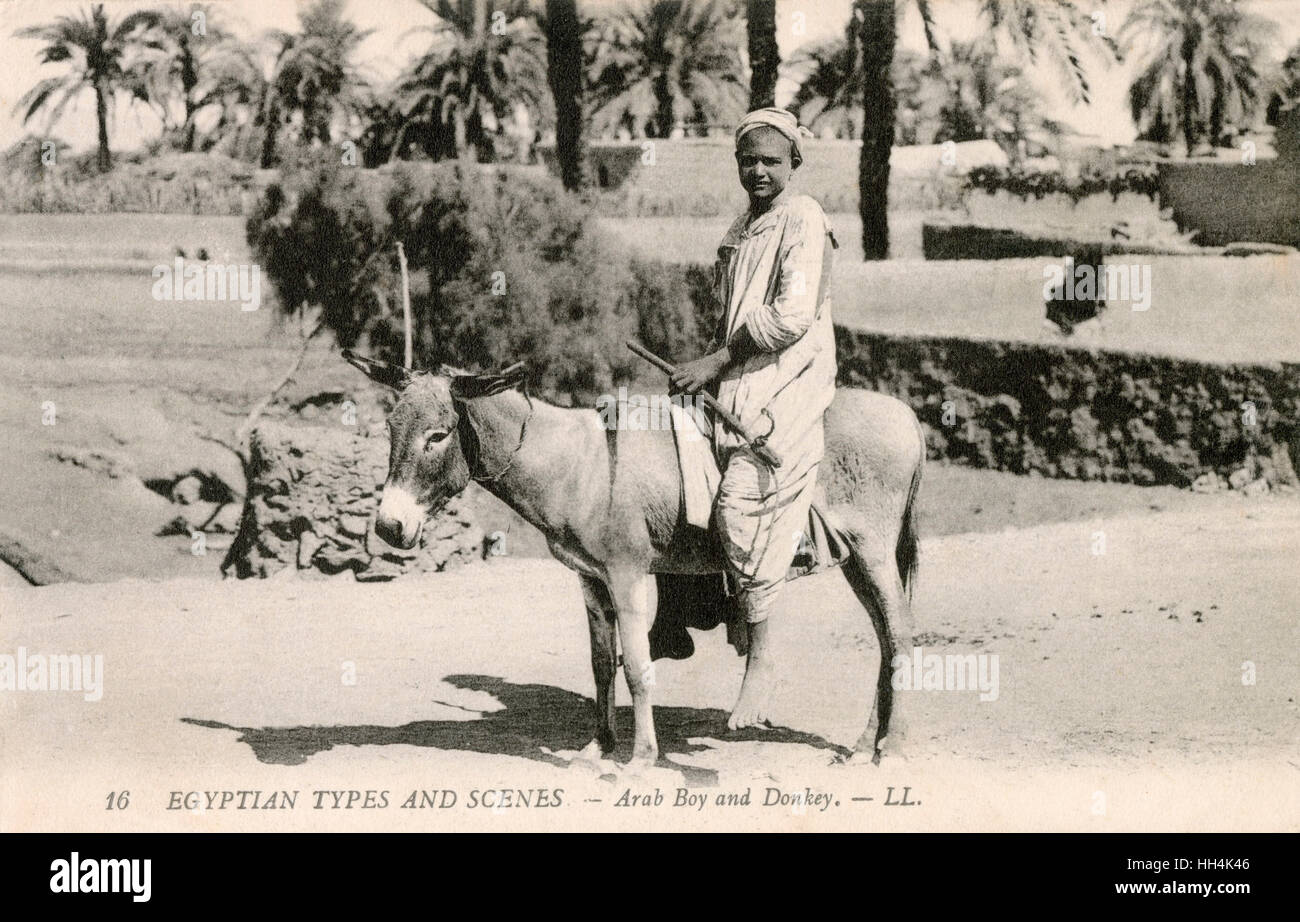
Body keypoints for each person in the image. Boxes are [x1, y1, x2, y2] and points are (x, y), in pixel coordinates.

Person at [669, 107, 838, 730]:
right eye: (748, 160)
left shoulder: (803, 217)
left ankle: (762, 660)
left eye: (772, 159)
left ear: (794, 163)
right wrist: (702, 370)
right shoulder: (743, 225)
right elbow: (730, 314)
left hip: (786, 379)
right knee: (670, 472)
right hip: (736, 377)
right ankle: (676, 617)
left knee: (742, 503)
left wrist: (714, 360)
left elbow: (790, 318)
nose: (759, 170)